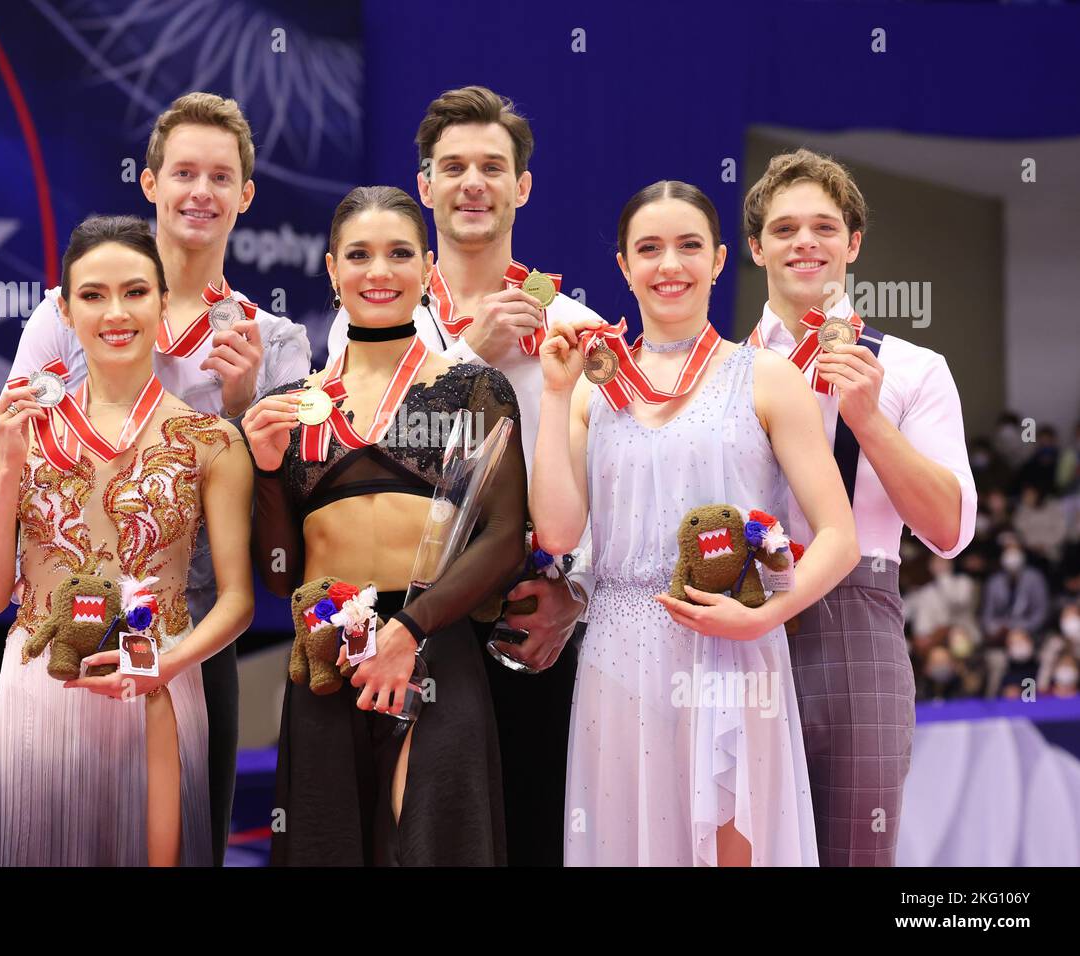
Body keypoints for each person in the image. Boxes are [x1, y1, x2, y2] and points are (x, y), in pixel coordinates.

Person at [0, 93, 309, 863]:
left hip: (186, 639)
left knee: (181, 847)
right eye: (183, 171)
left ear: (246, 196)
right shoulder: (61, 318)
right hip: (56, 631)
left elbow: (284, 535)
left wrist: (238, 404)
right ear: (149, 182)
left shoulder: (277, 342)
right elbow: (2, 461)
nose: (201, 191)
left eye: (220, 176)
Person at [530, 181, 859, 866]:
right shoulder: (595, 386)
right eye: (649, 248)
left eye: (688, 246)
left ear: (717, 260)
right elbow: (558, 536)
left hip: (734, 650)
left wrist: (769, 615)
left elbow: (840, 536)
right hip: (618, 651)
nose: (669, 265)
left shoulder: (766, 377)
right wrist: (556, 394)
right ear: (623, 266)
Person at [326, 86, 598, 864]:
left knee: (526, 829)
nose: (472, 182)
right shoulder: (369, 313)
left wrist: (575, 596)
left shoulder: (572, 322)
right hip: (404, 620)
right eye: (453, 167)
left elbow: (609, 477)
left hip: (523, 618)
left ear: (523, 187)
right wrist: (469, 356)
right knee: (403, 837)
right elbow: (352, 458)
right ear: (425, 186)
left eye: (492, 166)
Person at [244, 186, 526, 865]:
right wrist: (264, 473)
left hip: (434, 645)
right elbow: (279, 572)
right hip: (325, 655)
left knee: (434, 845)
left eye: (399, 253)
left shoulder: (475, 388)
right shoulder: (287, 407)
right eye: (359, 255)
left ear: (428, 268)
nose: (379, 272)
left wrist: (409, 630)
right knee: (325, 846)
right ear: (332, 268)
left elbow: (504, 539)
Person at [0, 216, 254, 866]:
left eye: (135, 292)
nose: (115, 312)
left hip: (161, 685)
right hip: (42, 689)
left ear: (161, 301)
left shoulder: (212, 439)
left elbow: (238, 601)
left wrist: (166, 667)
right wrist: (7, 464)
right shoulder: (20, 434)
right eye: (93, 295)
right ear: (64, 311)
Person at [743, 149, 976, 865]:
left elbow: (948, 532)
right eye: (783, 229)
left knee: (855, 853)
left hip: (857, 619)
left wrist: (869, 420)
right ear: (756, 249)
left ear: (853, 243)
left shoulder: (912, 368)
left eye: (823, 226)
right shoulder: (720, 368)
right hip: (741, 618)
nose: (804, 242)